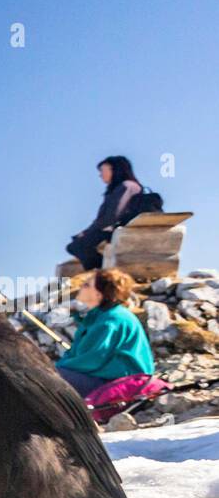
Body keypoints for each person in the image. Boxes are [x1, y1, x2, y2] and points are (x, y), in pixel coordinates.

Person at [55, 267, 153, 396]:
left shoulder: (111, 320)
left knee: (45, 378)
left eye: (86, 285)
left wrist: (54, 368)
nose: (80, 288)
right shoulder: (98, 317)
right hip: (107, 379)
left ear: (98, 294)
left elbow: (91, 360)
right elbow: (77, 355)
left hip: (118, 384)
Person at [65, 156, 143, 271]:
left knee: (77, 246)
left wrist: (87, 232)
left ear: (113, 169)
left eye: (102, 170)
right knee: (75, 245)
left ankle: (102, 272)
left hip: (121, 230)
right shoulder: (119, 188)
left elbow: (111, 217)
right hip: (112, 230)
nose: (100, 175)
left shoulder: (127, 186)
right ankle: (102, 270)